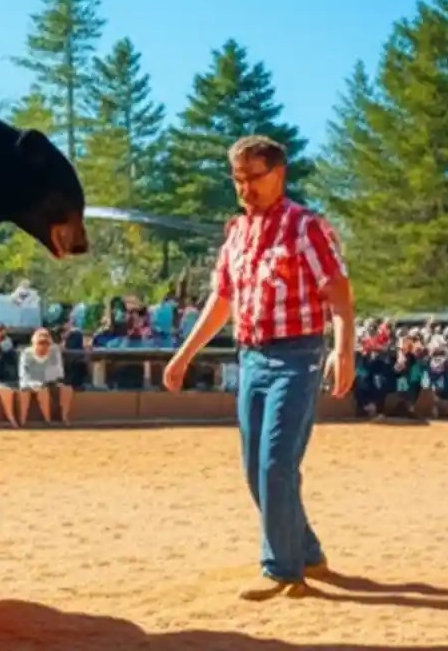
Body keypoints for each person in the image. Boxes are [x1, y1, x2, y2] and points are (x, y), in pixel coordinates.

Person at [162, 135, 355, 601]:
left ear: (279, 174)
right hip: (250, 356)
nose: (244, 187)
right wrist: (185, 354)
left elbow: (339, 293)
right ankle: (305, 549)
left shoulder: (306, 227)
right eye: (237, 178)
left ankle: (282, 569)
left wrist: (343, 349)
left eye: (253, 177)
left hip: (297, 355)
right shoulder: (237, 233)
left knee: (276, 462)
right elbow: (222, 299)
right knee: (258, 468)